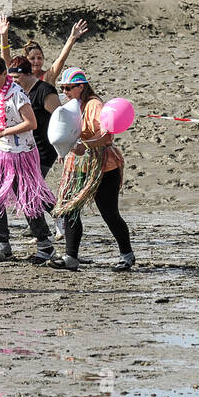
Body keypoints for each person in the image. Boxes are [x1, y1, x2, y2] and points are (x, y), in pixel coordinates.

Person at [50, 67, 133, 272]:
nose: (66, 92)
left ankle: (127, 255)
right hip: (79, 164)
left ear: (81, 87)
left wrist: (85, 145)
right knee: (70, 208)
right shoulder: (73, 104)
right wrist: (64, 149)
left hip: (104, 165)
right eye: (63, 88)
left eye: (69, 88)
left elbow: (107, 136)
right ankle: (70, 257)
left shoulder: (94, 105)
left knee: (109, 213)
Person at [0, 55, 56, 264]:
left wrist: (4, 132)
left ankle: (45, 244)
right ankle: (2, 245)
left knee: (28, 198)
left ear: (5, 74)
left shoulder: (17, 93)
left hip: (22, 153)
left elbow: (32, 123)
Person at [0, 15, 89, 88]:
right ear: (26, 59)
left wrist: (72, 38)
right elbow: (6, 58)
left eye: (39, 58)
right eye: (32, 58)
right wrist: (4, 35)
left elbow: (61, 59)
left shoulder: (48, 76)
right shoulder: (19, 75)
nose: (36, 61)